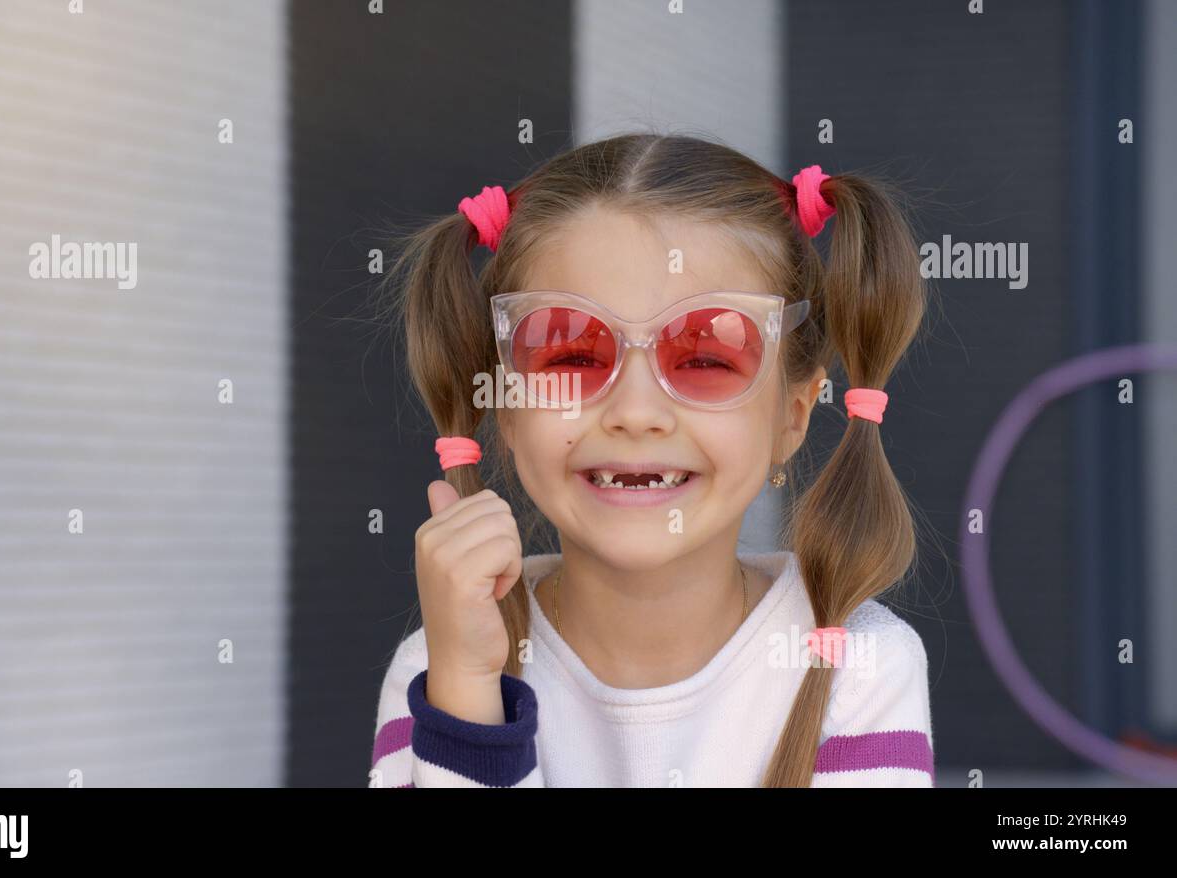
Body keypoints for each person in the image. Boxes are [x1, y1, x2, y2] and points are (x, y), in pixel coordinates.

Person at [369, 133, 934, 787]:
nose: (635, 412)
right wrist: (468, 696)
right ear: (508, 407)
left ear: (792, 416)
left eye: (706, 356)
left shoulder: (859, 664)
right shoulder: (435, 669)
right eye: (573, 353)